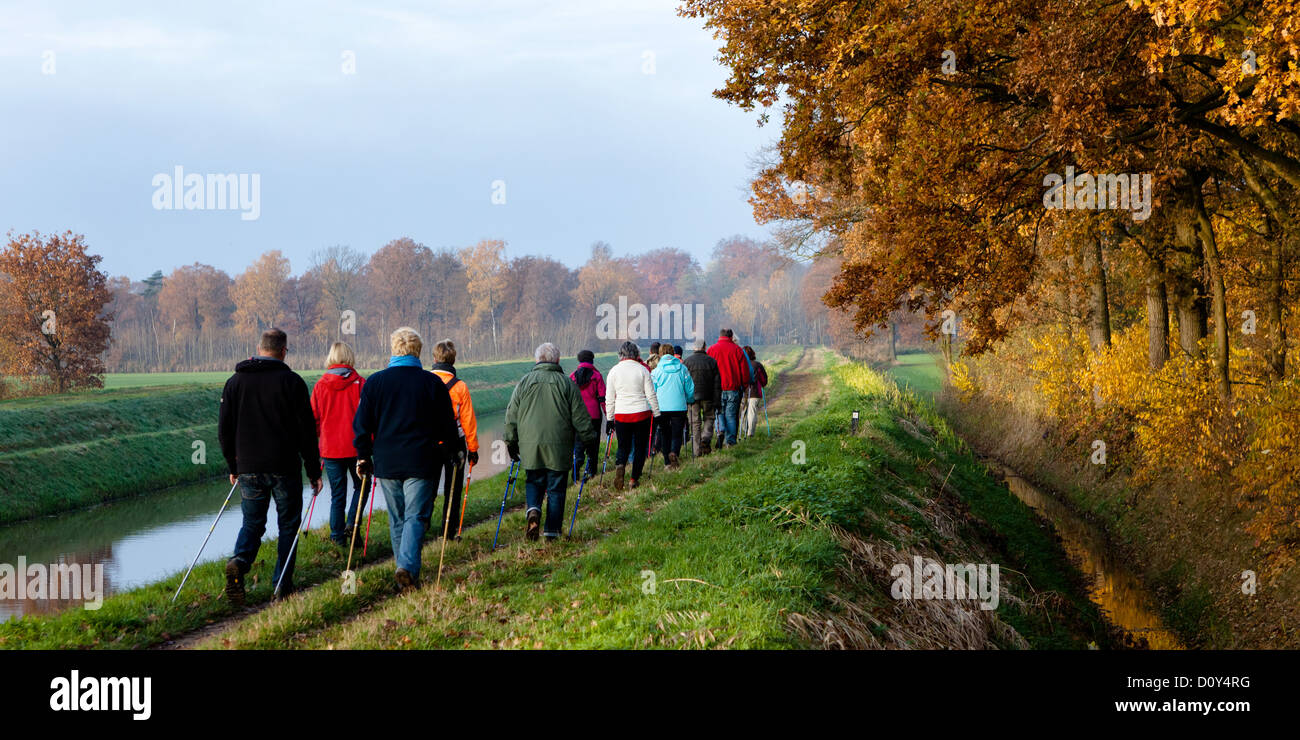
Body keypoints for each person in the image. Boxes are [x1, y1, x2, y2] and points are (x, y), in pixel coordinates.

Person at [218, 328, 322, 605]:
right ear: (284, 351)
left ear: (258, 348)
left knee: (252, 522)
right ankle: (281, 586)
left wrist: (233, 464)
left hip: (248, 466)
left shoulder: (234, 382)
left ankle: (240, 560)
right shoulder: (292, 382)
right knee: (288, 525)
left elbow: (224, 430)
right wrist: (314, 471)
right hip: (284, 466)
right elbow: (306, 432)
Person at [353, 327, 462, 590]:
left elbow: (361, 424)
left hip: (387, 461)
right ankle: (406, 567)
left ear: (393, 349)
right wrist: (452, 450)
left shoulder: (375, 383)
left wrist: (362, 455)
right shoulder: (431, 383)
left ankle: (404, 570)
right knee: (416, 516)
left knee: (397, 518)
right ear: (418, 351)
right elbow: (447, 425)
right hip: (421, 460)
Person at [503, 343, 597, 541]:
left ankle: (534, 511)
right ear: (558, 360)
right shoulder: (566, 384)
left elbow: (511, 415)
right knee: (556, 487)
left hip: (530, 446)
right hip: (559, 446)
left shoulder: (524, 382)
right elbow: (580, 417)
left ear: (537, 360)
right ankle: (551, 532)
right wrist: (590, 441)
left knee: (534, 480)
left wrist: (511, 443)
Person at [310, 341, 367, 546]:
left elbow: (313, 420)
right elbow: (368, 418)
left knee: (337, 494)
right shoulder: (360, 383)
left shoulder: (320, 386)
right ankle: (352, 523)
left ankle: (337, 537)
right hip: (357, 448)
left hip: (330, 449)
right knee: (362, 487)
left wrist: (322, 436)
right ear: (349, 357)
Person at [429, 339, 478, 540]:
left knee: (427, 486)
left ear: (434, 359)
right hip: (455, 443)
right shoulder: (460, 387)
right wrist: (473, 448)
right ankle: (448, 531)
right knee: (453, 488)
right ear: (453, 360)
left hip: (429, 442)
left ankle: (421, 526)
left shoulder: (425, 381)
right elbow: (468, 421)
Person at [604, 341, 660, 490]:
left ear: (620, 354)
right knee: (640, 448)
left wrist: (610, 419)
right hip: (641, 413)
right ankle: (634, 479)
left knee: (623, 446)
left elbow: (609, 398)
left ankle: (620, 465)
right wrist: (657, 413)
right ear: (636, 354)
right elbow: (651, 395)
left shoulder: (613, 371)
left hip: (622, 414)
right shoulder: (642, 370)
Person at [651, 346, 694, 467]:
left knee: (664, 434)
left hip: (662, 408)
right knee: (677, 433)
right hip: (679, 406)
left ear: (660, 355)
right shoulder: (682, 369)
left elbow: (652, 391)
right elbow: (689, 387)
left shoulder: (656, 371)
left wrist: (651, 406)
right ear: (673, 353)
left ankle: (667, 462)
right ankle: (674, 452)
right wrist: (690, 399)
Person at [707, 328, 750, 447]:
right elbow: (744, 372)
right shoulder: (737, 350)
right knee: (731, 415)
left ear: (719, 336)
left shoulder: (711, 350)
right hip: (733, 388)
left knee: (719, 413)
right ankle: (730, 442)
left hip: (717, 389)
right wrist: (745, 385)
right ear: (731, 337)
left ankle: (720, 430)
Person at [569, 349, 606, 481]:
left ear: (579, 360)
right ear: (592, 360)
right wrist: (609, 415)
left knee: (578, 445)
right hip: (594, 415)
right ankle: (591, 472)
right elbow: (602, 398)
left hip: (577, 416)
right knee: (593, 445)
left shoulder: (572, 377)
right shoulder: (597, 376)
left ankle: (575, 472)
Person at [684, 337, 722, 456]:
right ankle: (705, 439)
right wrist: (717, 401)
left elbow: (685, 383)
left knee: (695, 423)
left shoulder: (687, 362)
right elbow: (717, 384)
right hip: (708, 396)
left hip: (692, 398)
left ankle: (696, 451)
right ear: (705, 347)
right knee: (709, 418)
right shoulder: (712, 361)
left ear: (694, 348)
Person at [739, 345, 769, 437]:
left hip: (743, 392)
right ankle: (750, 433)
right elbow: (764, 380)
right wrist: (762, 384)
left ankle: (744, 429)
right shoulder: (757, 365)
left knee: (742, 413)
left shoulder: (740, 365)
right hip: (755, 392)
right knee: (752, 412)